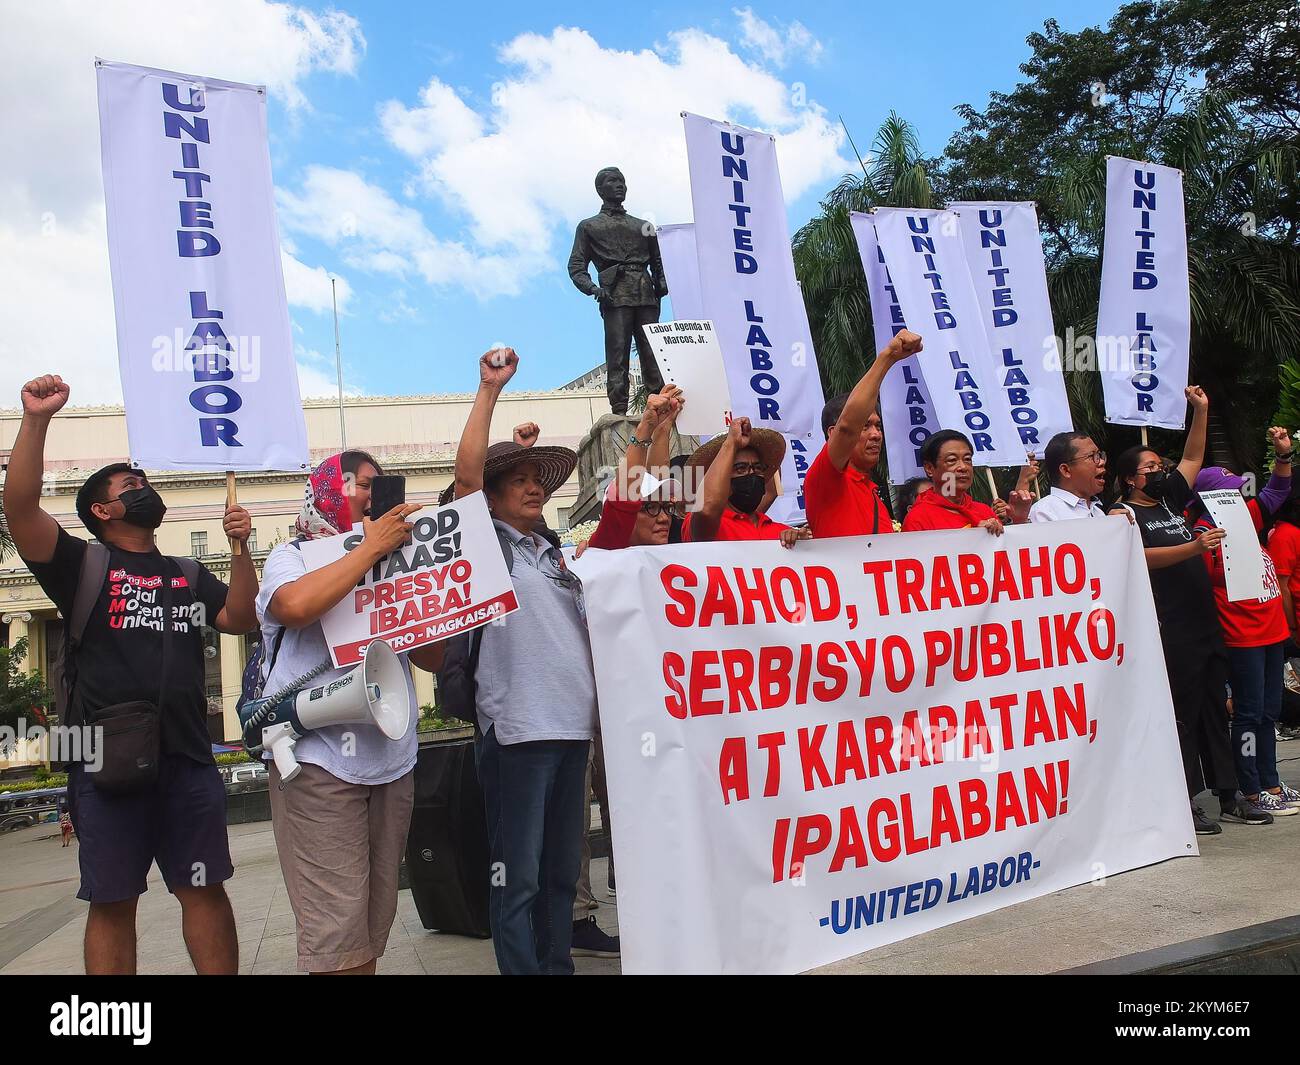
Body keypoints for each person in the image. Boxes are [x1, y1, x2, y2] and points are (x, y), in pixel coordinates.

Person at [2, 373, 258, 976]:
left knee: (203, 890)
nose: (144, 489)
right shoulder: (80, 565)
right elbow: (17, 507)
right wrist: (36, 420)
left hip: (188, 759)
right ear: (102, 509)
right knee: (113, 901)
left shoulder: (186, 572)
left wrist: (242, 550)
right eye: (131, 485)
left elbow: (239, 615)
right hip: (107, 763)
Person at [455, 345, 615, 974]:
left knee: (558, 877)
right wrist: (489, 391)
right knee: (515, 880)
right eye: (517, 481)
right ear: (490, 498)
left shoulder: (553, 555)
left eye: (536, 482)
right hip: (519, 732)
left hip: (572, 731)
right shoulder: (484, 548)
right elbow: (466, 480)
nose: (533, 489)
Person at [257, 451, 442, 974]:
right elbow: (294, 606)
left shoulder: (396, 561)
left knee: (369, 925)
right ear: (327, 491)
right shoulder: (290, 555)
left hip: (389, 759)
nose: (370, 496)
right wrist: (371, 549)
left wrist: (426, 587)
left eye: (378, 489)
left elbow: (432, 657)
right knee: (335, 931)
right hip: (317, 761)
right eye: (360, 485)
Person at [1109, 387, 1259, 831]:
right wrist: (1193, 547)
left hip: (1204, 623)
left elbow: (1193, 458)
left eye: (1160, 466)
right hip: (1170, 628)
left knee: (1217, 707)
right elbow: (1136, 556)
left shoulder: (1170, 500)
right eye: (1149, 468)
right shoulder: (1122, 514)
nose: (1160, 472)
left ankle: (1229, 794)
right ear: (1130, 479)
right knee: (1183, 713)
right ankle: (1185, 799)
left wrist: (1202, 410)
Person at [1191, 427, 1300, 820]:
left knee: (1270, 711)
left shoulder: (1246, 517)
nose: (1238, 496)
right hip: (1243, 638)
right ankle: (1251, 788)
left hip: (1272, 633)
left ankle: (1270, 781)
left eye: (1238, 489)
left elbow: (1275, 494)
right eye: (1228, 492)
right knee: (1250, 714)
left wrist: (1282, 456)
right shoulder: (1202, 536)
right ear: (1209, 498)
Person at [805, 330, 923, 538]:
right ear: (832, 434)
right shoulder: (825, 480)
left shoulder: (873, 495)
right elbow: (848, 427)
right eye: (866, 426)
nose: (876, 435)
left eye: (878, 426)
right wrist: (888, 356)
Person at [584, 384, 685, 551]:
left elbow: (655, 476)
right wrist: (646, 426)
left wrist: (663, 427)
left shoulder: (675, 554)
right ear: (623, 518)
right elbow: (625, 498)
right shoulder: (606, 550)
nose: (663, 518)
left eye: (667, 508)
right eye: (650, 507)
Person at [682, 417, 811, 547]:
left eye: (758, 468)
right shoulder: (701, 527)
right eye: (740, 468)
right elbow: (707, 508)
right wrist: (730, 444)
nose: (751, 474)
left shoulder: (782, 533)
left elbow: (772, 490)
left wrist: (802, 547)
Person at [901, 430, 1031, 534]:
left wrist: (1019, 521)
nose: (963, 467)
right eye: (952, 460)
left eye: (967, 459)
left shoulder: (984, 512)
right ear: (930, 468)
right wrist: (972, 537)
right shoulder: (918, 519)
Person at [1029, 432, 1112, 522]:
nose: (1102, 462)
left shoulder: (1098, 511)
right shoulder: (1044, 512)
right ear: (1066, 470)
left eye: (1099, 455)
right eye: (1092, 456)